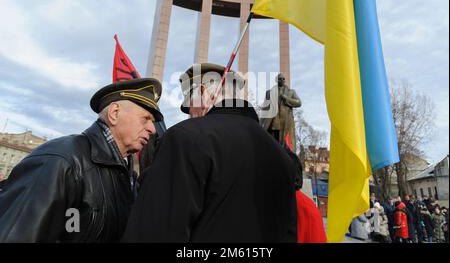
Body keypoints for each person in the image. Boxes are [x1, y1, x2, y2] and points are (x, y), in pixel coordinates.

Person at [122, 63, 297, 242]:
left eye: (190, 106)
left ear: (204, 93)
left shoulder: (185, 138)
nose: (190, 114)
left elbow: (154, 232)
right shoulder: (283, 157)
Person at [0, 78, 163, 242]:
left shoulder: (127, 176)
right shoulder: (61, 160)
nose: (152, 129)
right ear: (114, 113)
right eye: (145, 118)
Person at [260, 73, 302, 153]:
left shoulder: (291, 92)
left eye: (283, 79)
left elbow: (299, 103)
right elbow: (265, 107)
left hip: (286, 123)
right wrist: (261, 122)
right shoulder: (269, 92)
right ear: (277, 80)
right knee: (271, 147)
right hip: (273, 123)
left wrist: (287, 99)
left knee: (286, 147)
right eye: (280, 79)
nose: (282, 80)